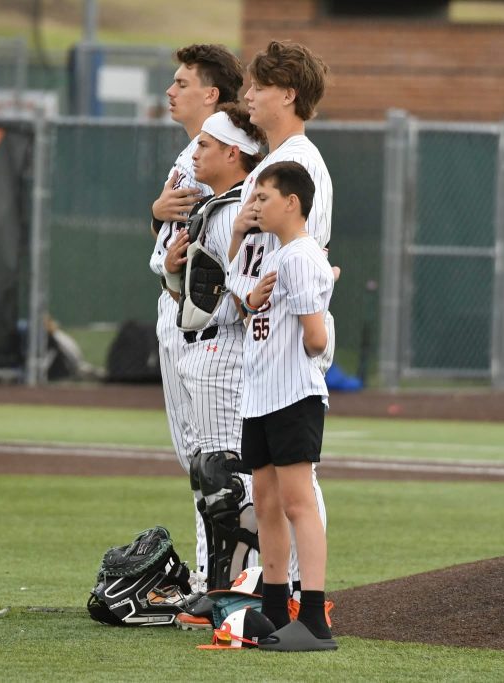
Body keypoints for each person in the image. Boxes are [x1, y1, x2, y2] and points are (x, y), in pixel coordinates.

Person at [226, 39, 334, 605]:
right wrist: (244, 289)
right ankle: (275, 598)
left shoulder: (301, 163)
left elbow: (306, 257)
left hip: (290, 353)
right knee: (267, 493)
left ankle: (303, 599)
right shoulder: (270, 164)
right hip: (262, 351)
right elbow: (247, 266)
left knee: (297, 492)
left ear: (288, 94)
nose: (249, 95)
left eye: (260, 86)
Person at [148, 44, 244, 591]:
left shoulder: (207, 156)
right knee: (198, 459)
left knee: (212, 461)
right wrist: (154, 215)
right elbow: (167, 241)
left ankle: (222, 580)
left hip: (204, 318)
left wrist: (162, 235)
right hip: (180, 306)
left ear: (211, 94)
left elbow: (182, 249)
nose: (170, 90)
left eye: (182, 82)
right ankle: (215, 576)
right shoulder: (192, 153)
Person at [161, 105, 266, 599]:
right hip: (200, 347)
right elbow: (190, 298)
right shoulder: (216, 207)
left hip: (226, 351)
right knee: (209, 476)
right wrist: (172, 272)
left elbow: (245, 295)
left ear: (233, 153)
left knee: (228, 477)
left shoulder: (242, 210)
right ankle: (220, 587)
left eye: (206, 145)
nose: (195, 153)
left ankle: (249, 587)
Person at [237, 161, 337, 652]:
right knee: (266, 501)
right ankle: (275, 608)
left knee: (297, 502)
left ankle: (313, 617)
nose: (256, 206)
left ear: (292, 203)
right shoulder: (278, 254)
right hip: (261, 394)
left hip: (292, 394)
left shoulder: (298, 256)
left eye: (264, 197)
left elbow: (316, 338)